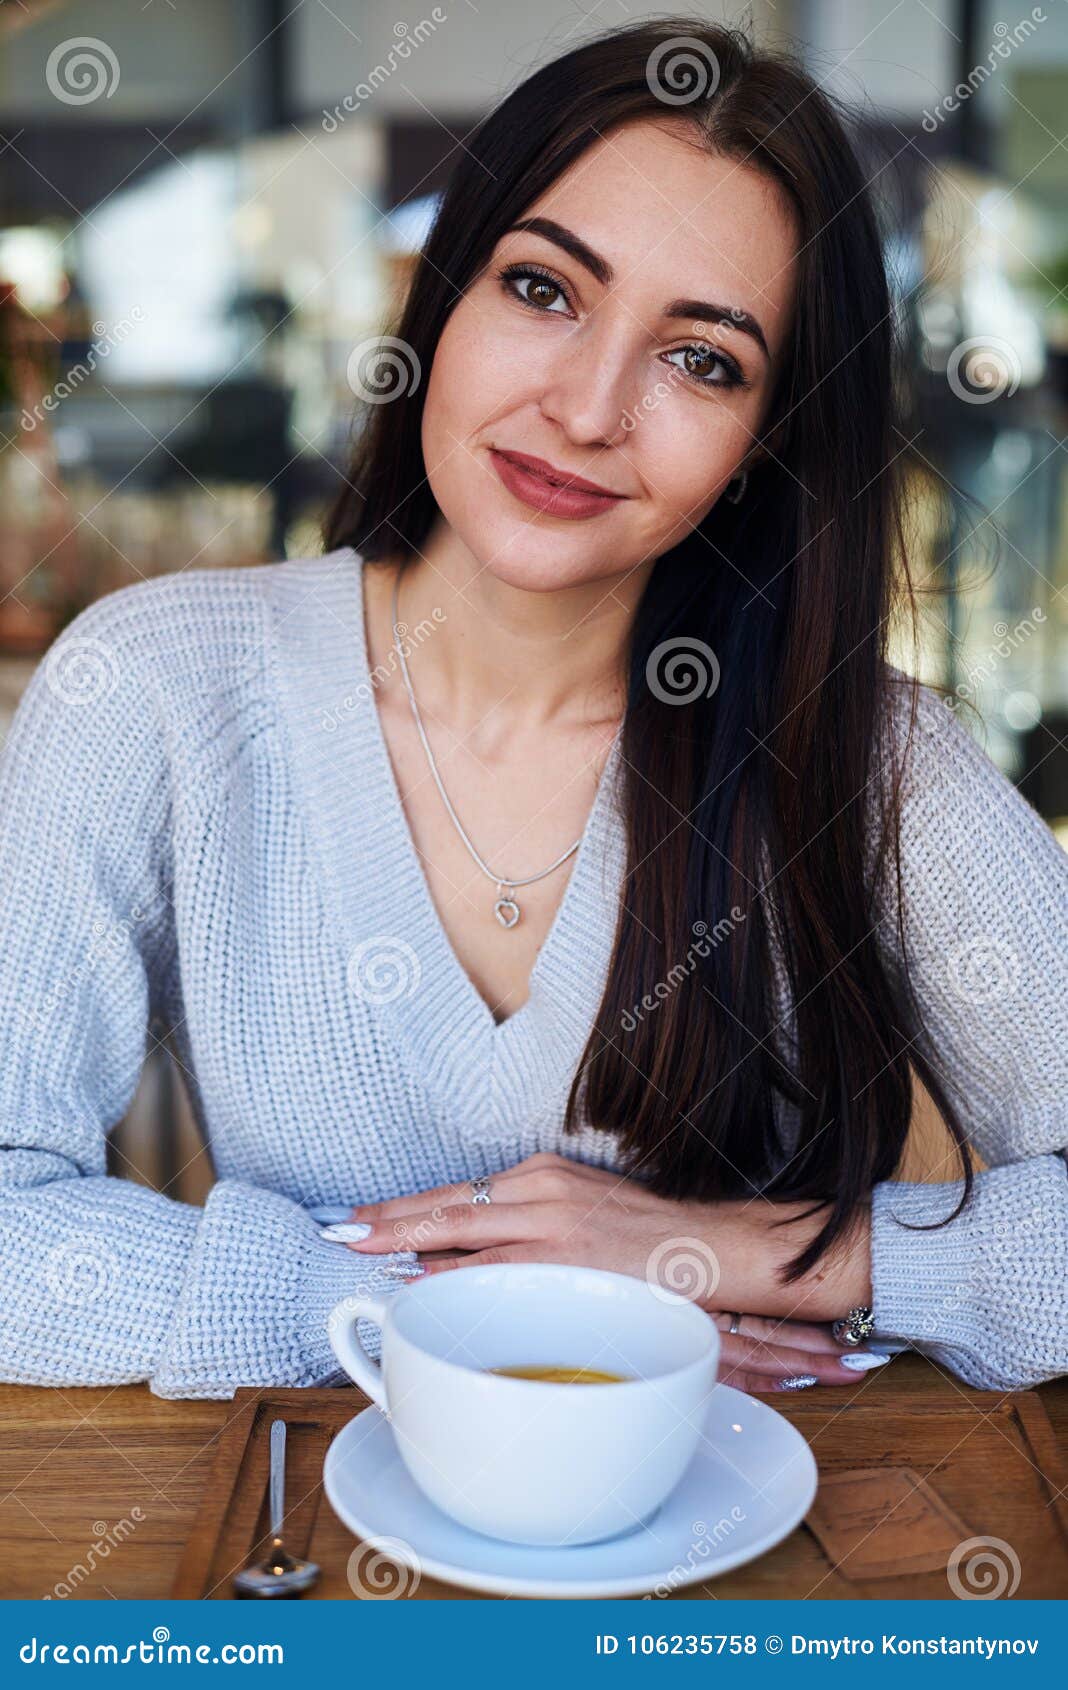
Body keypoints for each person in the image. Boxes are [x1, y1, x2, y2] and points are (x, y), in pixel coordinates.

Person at [1, 19, 1065, 1401]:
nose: (585, 407)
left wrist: (732, 1250)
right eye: (544, 289)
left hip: (741, 1568)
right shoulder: (153, 687)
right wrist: (427, 1305)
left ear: (770, 442)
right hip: (308, 1559)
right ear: (444, 296)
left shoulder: (874, 761)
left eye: (705, 360)